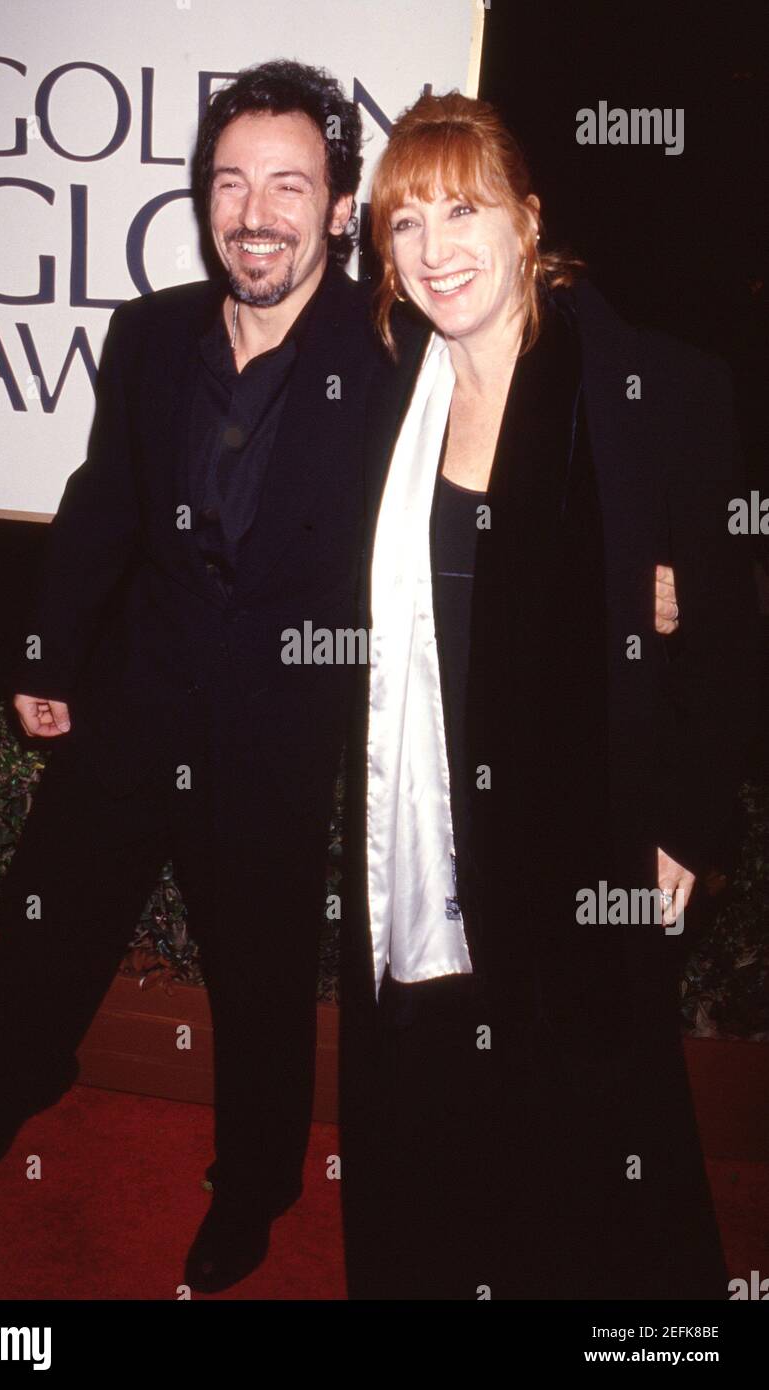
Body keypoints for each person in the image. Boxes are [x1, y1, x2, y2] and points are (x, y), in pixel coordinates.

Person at [0, 59, 383, 1295]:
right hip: (134, 699)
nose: (257, 211)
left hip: (277, 729)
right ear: (202, 198)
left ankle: (251, 1187)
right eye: (232, 181)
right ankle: (15, 1088)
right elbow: (100, 508)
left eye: (290, 183)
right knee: (50, 917)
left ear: (340, 205)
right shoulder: (145, 335)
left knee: (260, 975)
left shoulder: (395, 357)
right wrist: (46, 649)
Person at [338, 92, 761, 1301]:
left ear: (528, 221)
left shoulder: (655, 389)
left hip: (585, 836)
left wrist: (685, 822)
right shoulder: (383, 396)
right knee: (445, 1114)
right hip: (432, 824)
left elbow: (729, 634)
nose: (434, 249)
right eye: (404, 224)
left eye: (461, 208)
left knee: (597, 1131)